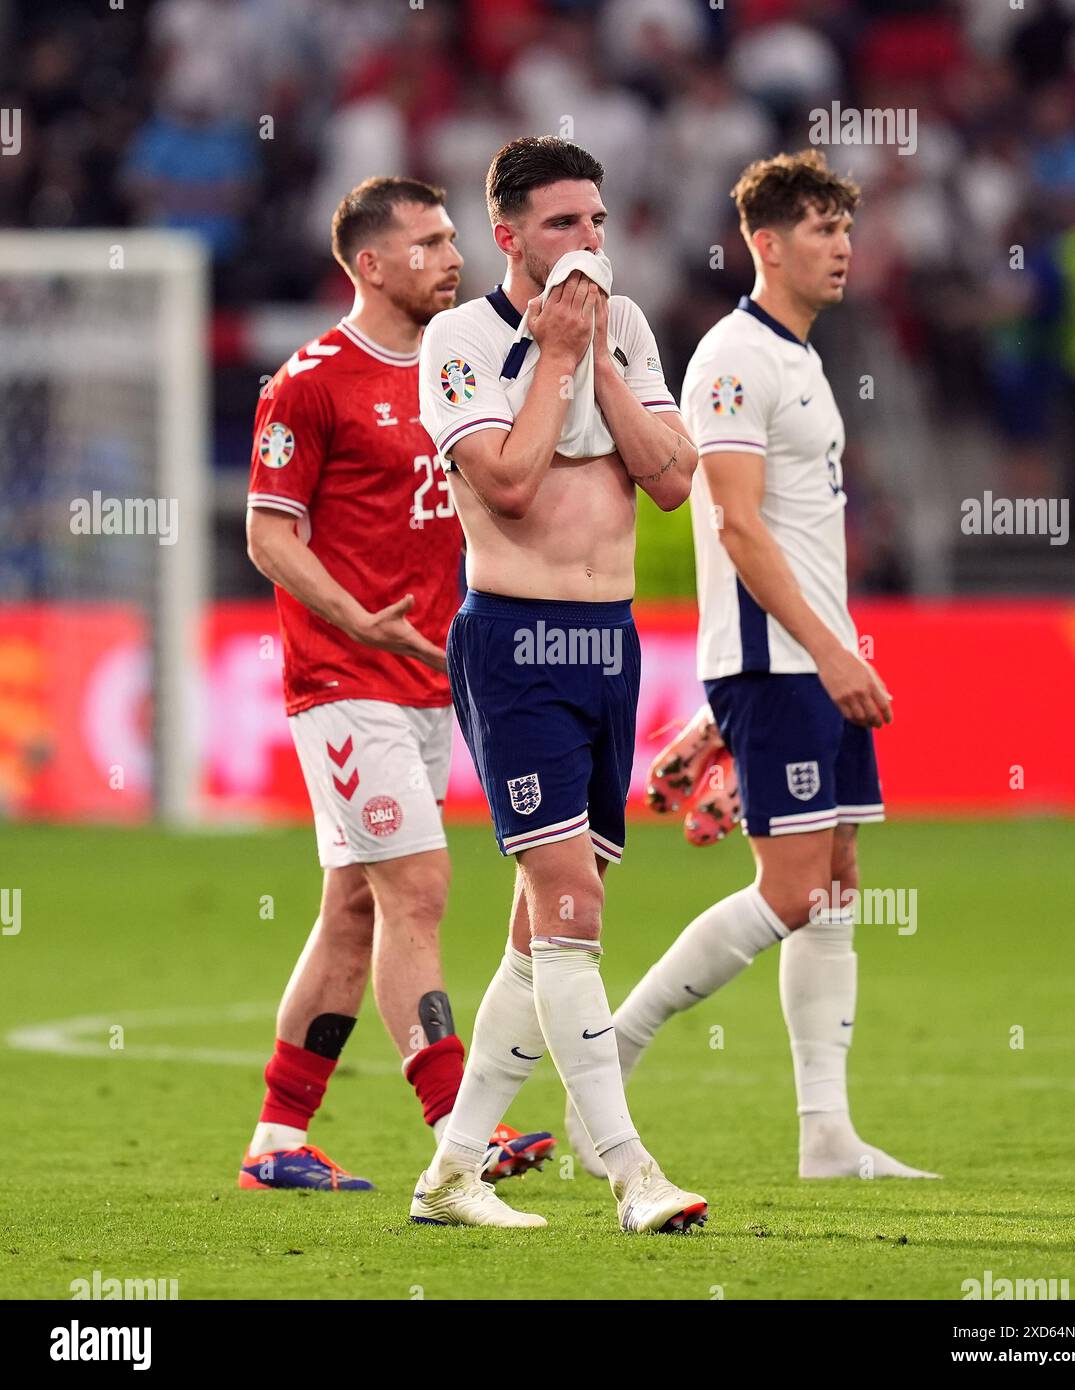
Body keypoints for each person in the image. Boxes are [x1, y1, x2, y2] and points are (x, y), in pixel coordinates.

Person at [567, 150, 938, 1182]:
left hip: (803, 660)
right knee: (789, 890)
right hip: (788, 663)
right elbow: (732, 526)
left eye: (846, 229)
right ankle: (611, 1051)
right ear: (763, 244)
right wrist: (821, 659)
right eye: (820, 230)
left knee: (834, 885)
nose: (841, 247)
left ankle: (825, 1136)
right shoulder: (732, 358)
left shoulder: (801, 358)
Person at [410, 136, 707, 1231]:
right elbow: (511, 484)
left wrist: (599, 360)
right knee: (572, 915)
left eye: (595, 220)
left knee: (539, 934)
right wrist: (550, 358)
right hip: (516, 645)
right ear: (507, 236)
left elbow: (672, 481)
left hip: (609, 646)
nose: (587, 242)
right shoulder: (460, 338)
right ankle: (631, 1172)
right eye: (560, 225)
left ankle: (449, 1174)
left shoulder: (620, 326)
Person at [241, 176, 554, 1191]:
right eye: (425, 243)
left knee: (353, 913)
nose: (451, 256)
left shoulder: (459, 366)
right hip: (341, 680)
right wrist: (351, 617)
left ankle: (277, 1144)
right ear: (369, 265)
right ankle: (464, 1134)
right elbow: (267, 534)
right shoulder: (310, 382)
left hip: (425, 680)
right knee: (417, 889)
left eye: (450, 238)